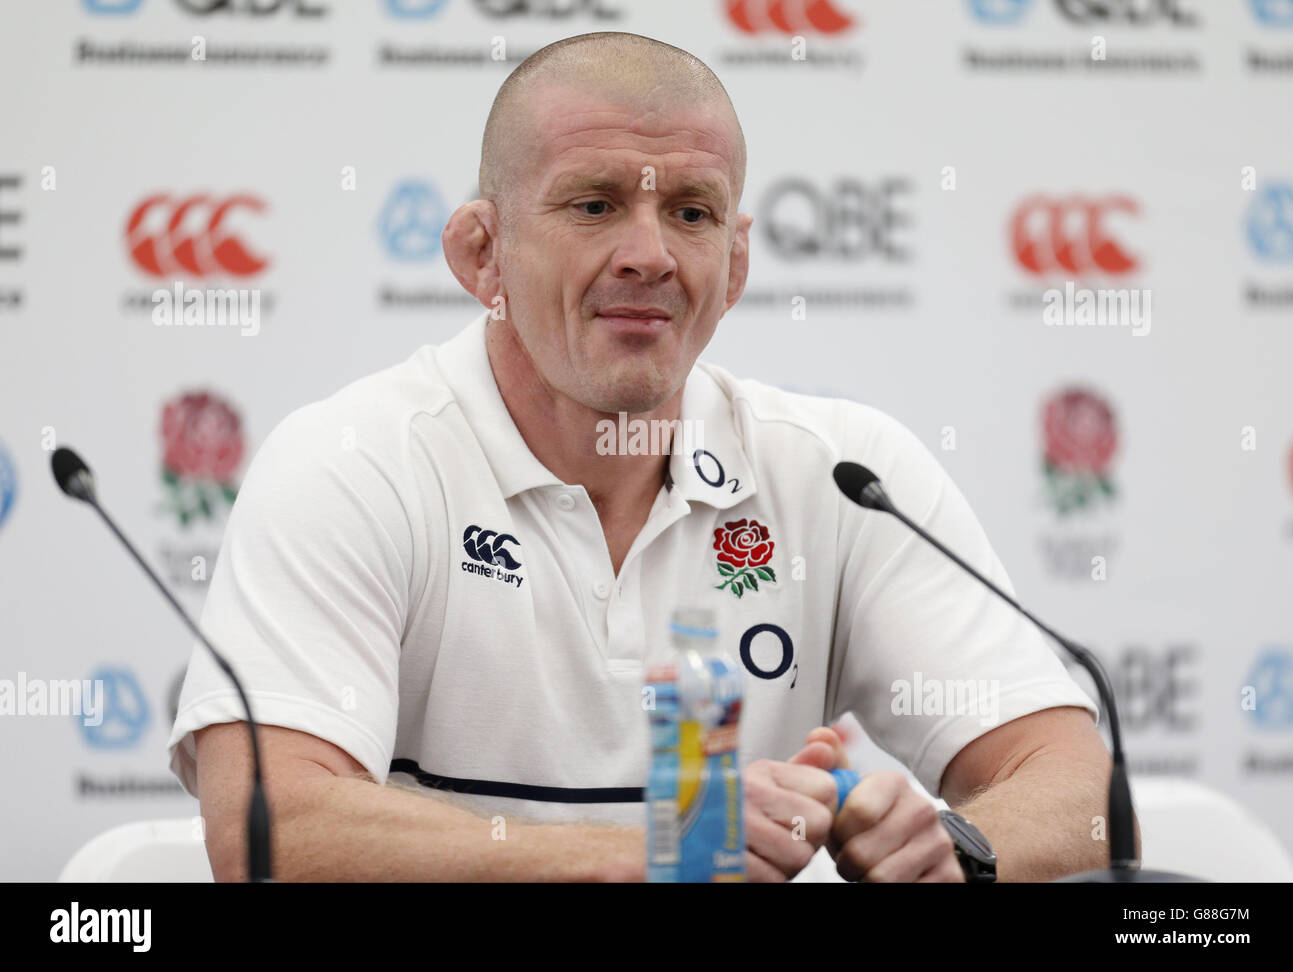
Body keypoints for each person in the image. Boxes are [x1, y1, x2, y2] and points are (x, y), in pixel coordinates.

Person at [168, 31, 1119, 883]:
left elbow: (1081, 797)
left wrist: (959, 850)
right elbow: (269, 832)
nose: (649, 255)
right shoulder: (354, 462)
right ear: (479, 254)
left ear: (737, 265)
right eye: (595, 204)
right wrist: (651, 855)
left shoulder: (845, 474)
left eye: (694, 214)